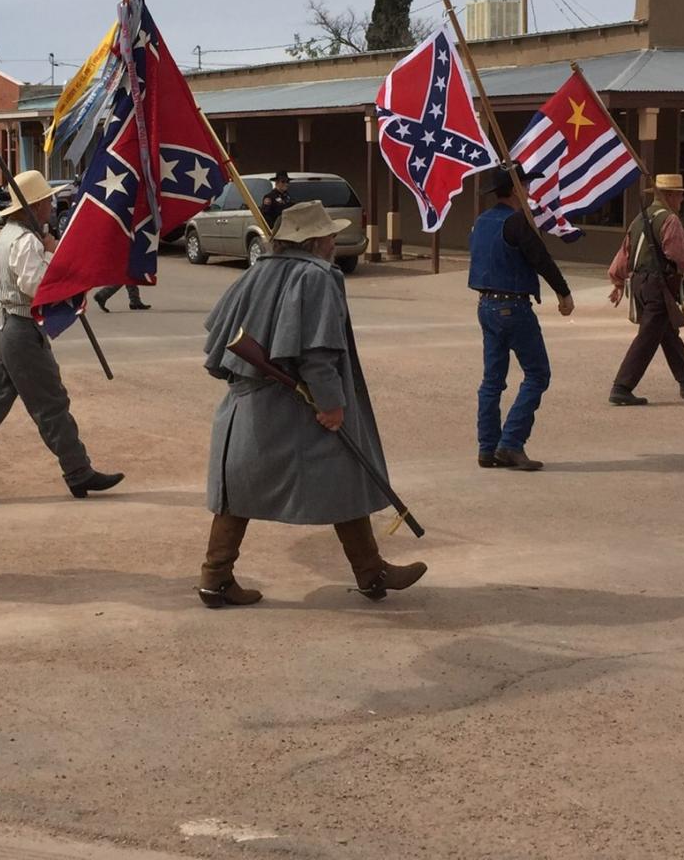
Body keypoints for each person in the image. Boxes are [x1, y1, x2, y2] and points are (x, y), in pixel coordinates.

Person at [197, 200, 427, 607]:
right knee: (341, 470)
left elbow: (218, 339)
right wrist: (332, 403)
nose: (335, 240)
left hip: (249, 404)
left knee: (253, 487)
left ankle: (217, 578)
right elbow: (318, 352)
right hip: (289, 406)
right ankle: (368, 572)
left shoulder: (259, 270)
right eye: (331, 235)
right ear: (317, 240)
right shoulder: (317, 276)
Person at [0, 169, 124, 501]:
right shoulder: (25, 241)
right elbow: (36, 285)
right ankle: (78, 472)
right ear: (33, 206)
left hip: (3, 327)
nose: (51, 205)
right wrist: (53, 253)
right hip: (22, 331)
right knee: (52, 405)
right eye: (46, 201)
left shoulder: (6, 237)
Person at [468, 163, 574, 473]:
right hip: (513, 305)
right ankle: (511, 443)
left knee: (492, 381)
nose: (529, 190)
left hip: (486, 303)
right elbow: (541, 259)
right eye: (525, 185)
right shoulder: (517, 223)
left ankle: (487, 448)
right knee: (538, 374)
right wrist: (563, 292)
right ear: (515, 189)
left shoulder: (481, 221)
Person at [607, 174, 684, 406]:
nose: (682, 199)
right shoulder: (670, 219)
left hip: (641, 285)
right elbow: (678, 254)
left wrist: (618, 281)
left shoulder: (638, 220)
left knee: (667, 332)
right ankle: (622, 387)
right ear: (670, 195)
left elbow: (625, 253)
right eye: (680, 194)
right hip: (658, 285)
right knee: (648, 337)